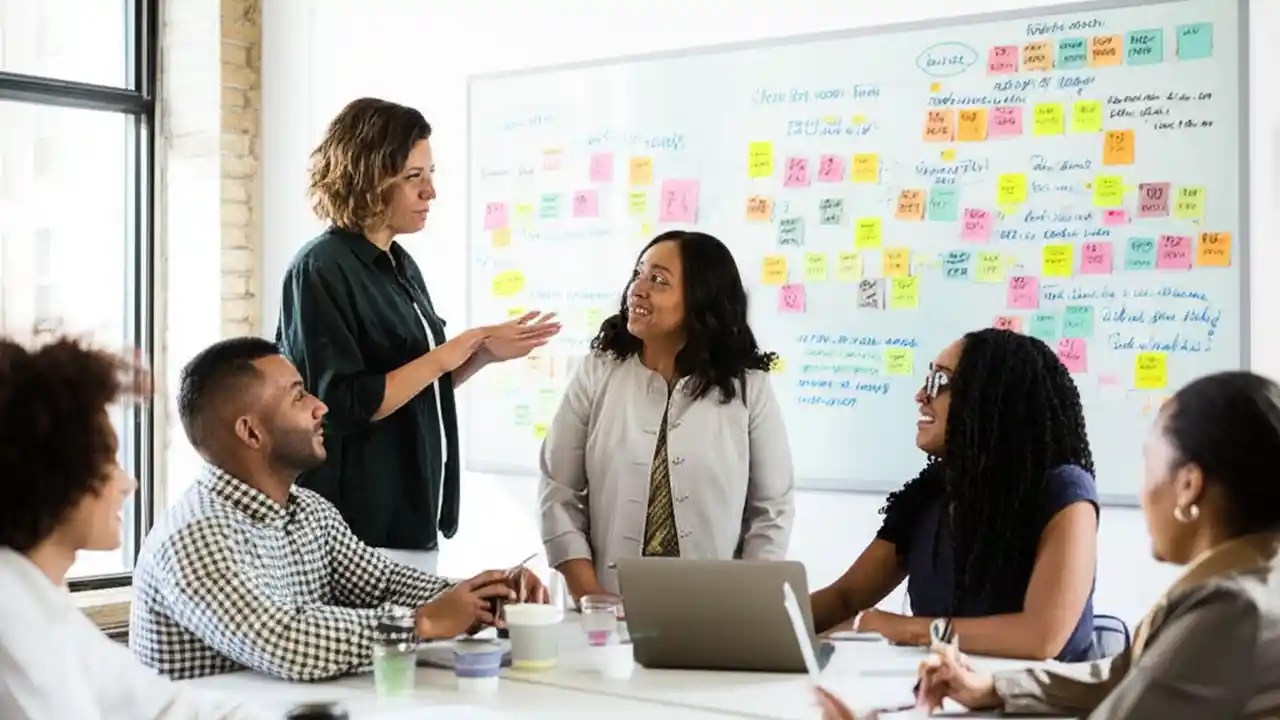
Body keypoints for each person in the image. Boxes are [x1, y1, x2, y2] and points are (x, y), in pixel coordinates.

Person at [821, 371, 1280, 719]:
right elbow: (1119, 674)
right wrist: (995, 689)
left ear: (1188, 486)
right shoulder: (1245, 587)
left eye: (1148, 463)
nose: (1143, 493)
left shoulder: (1232, 610)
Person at [130, 338, 548, 681]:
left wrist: (487, 594)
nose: (320, 406)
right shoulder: (193, 536)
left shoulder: (308, 511)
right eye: (298, 396)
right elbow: (285, 642)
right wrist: (419, 623)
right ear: (251, 432)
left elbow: (383, 584)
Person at [276, 97, 561, 570]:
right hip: (355, 527)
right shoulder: (320, 268)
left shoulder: (399, 264)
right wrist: (449, 352)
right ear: (367, 177)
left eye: (431, 174)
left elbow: (415, 387)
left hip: (413, 517)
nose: (431, 192)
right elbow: (344, 403)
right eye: (413, 177)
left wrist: (481, 354)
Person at [810, 328, 1099, 662]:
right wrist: (761, 626)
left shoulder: (1065, 491)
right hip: (940, 695)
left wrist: (903, 629)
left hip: (1034, 704)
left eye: (939, 382)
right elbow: (846, 598)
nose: (921, 395)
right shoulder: (930, 492)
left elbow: (1041, 637)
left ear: (990, 396)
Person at [0, 336, 249, 718]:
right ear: (58, 471)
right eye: (110, 461)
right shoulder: (11, 615)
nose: (128, 483)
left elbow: (159, 706)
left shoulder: (44, 600)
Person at [540, 230, 795, 601]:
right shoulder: (598, 371)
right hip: (605, 605)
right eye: (638, 274)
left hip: (715, 608)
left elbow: (771, 510)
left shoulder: (748, 387)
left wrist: (747, 604)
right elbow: (558, 491)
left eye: (658, 280)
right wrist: (590, 596)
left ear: (699, 300)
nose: (638, 289)